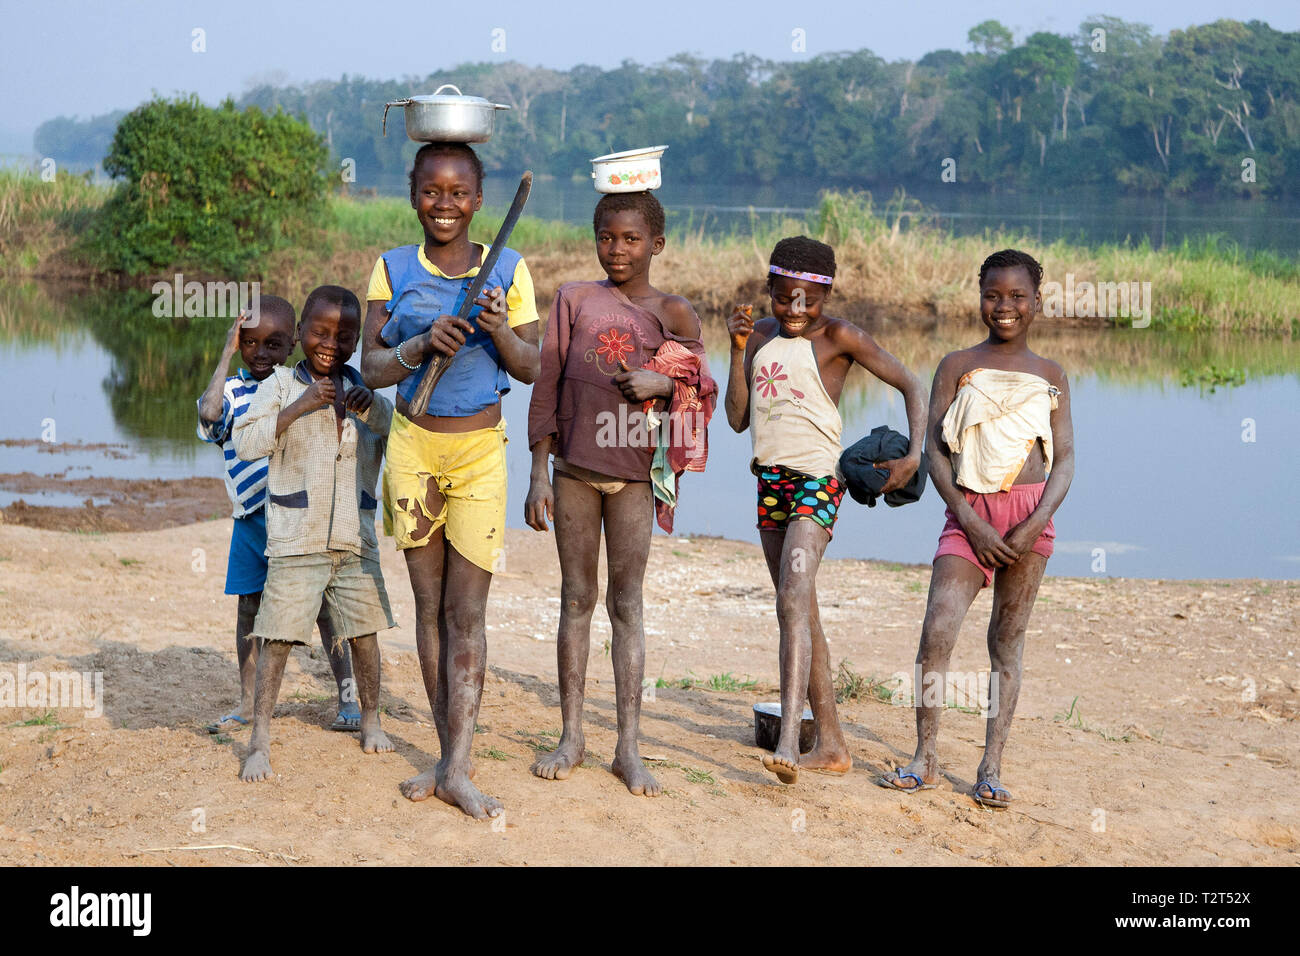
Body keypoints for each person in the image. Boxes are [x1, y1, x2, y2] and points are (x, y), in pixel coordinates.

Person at [360, 143, 540, 819]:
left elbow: (531, 366)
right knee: (429, 607)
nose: (444, 204)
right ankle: (445, 757)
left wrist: (497, 333)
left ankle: (459, 769)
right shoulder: (393, 269)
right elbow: (371, 366)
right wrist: (416, 347)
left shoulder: (509, 269)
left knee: (468, 613)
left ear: (478, 201)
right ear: (414, 196)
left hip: (478, 455)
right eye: (431, 191)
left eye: (458, 192)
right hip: (413, 449)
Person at [525, 190, 715, 797]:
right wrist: (536, 471)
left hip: (635, 474)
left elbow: (701, 389)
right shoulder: (574, 300)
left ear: (656, 244)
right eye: (608, 237)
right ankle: (572, 735)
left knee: (626, 604)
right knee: (576, 598)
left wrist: (663, 378)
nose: (618, 249)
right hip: (575, 469)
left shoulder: (675, 312)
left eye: (632, 239)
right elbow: (547, 378)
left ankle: (628, 746)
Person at [725, 236, 928, 785]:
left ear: (826, 294)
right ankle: (833, 745)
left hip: (819, 481)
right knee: (801, 611)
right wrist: (737, 347)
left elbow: (911, 381)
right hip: (770, 481)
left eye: (807, 299)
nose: (794, 310)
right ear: (768, 290)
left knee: (792, 598)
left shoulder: (841, 337)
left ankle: (790, 741)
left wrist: (913, 455)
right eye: (784, 297)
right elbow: (737, 420)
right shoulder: (760, 336)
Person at [879, 248, 1074, 808]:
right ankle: (926, 757)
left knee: (1006, 643)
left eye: (1017, 296)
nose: (1004, 306)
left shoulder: (1051, 374)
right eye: (993, 295)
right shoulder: (955, 364)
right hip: (968, 518)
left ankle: (990, 767)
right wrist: (968, 518)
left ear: (1037, 302)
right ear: (979, 298)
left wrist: (1036, 522)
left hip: (1030, 521)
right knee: (937, 630)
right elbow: (936, 452)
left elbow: (1064, 461)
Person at [233, 286, 396, 782]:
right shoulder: (280, 385)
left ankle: (370, 718)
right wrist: (300, 406)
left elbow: (397, 434)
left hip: (354, 539)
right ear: (301, 333)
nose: (331, 344)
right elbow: (245, 442)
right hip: (295, 538)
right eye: (320, 333)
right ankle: (259, 739)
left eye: (344, 336)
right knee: (278, 636)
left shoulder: (362, 388)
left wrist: (373, 408)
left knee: (364, 634)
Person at [196, 296, 361, 735]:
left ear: (291, 345)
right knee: (248, 608)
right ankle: (248, 704)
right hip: (252, 519)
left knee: (328, 610)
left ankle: (349, 702)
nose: (261, 353)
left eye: (274, 344)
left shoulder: (298, 386)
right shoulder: (232, 390)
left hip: (299, 516)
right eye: (250, 343)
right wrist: (225, 352)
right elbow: (210, 415)